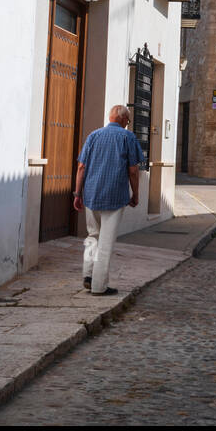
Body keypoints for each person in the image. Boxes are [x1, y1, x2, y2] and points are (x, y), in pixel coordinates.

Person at [73, 104, 143, 295]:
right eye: (128, 120)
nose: (128, 124)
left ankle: (88, 275)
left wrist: (78, 194)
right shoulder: (127, 137)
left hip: (91, 195)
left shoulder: (93, 136)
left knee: (92, 237)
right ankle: (98, 286)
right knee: (105, 242)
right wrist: (135, 194)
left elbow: (81, 167)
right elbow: (133, 171)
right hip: (114, 196)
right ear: (123, 119)